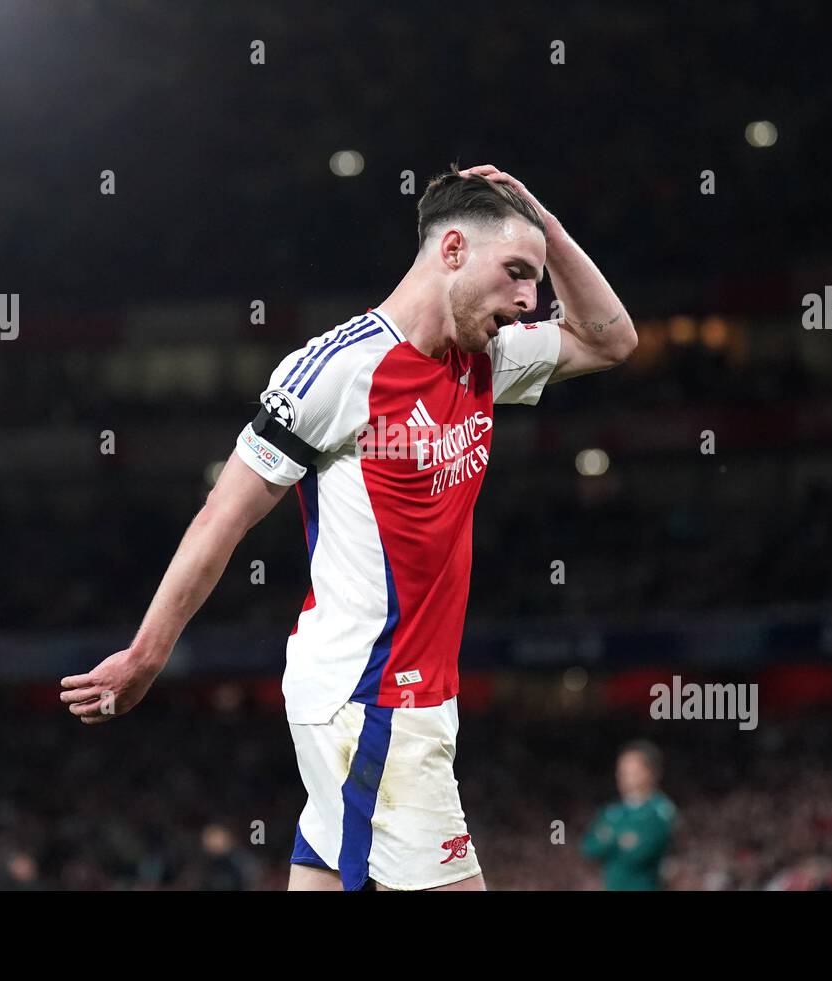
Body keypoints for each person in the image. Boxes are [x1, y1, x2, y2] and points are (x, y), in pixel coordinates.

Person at [61, 162, 637, 891]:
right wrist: (146, 654)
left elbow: (612, 339)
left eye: (538, 279)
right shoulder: (338, 370)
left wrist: (546, 227)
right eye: (518, 272)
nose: (529, 301)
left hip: (409, 698)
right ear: (453, 251)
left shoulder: (485, 359)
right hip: (371, 698)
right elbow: (223, 515)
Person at [581, 741, 676, 890]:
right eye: (622, 770)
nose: (624, 776)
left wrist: (609, 837)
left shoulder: (661, 809)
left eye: (632, 771)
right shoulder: (612, 811)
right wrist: (622, 839)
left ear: (650, 772)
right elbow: (589, 848)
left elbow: (640, 853)